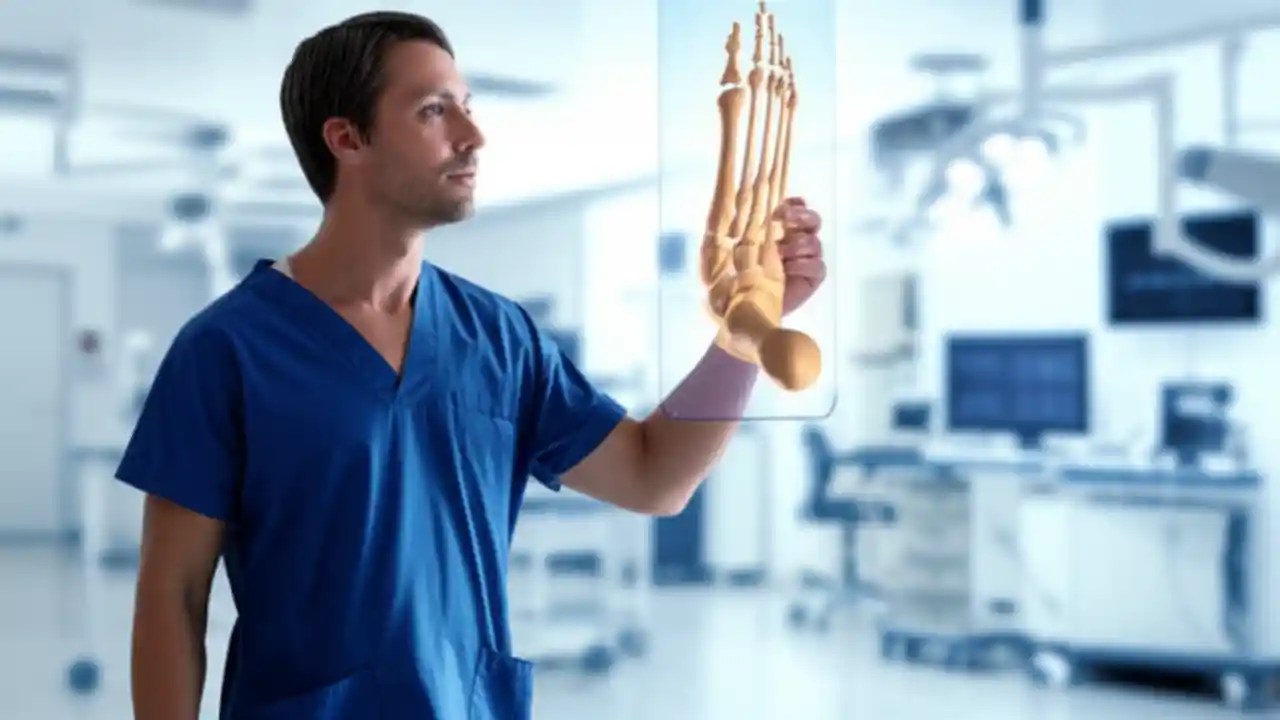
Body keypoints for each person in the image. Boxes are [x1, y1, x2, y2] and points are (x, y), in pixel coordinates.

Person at [119, 10, 826, 720]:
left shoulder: (501, 338)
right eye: (434, 111)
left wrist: (744, 334)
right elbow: (172, 597)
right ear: (347, 138)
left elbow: (654, 476)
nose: (473, 135)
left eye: (467, 106)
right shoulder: (227, 349)